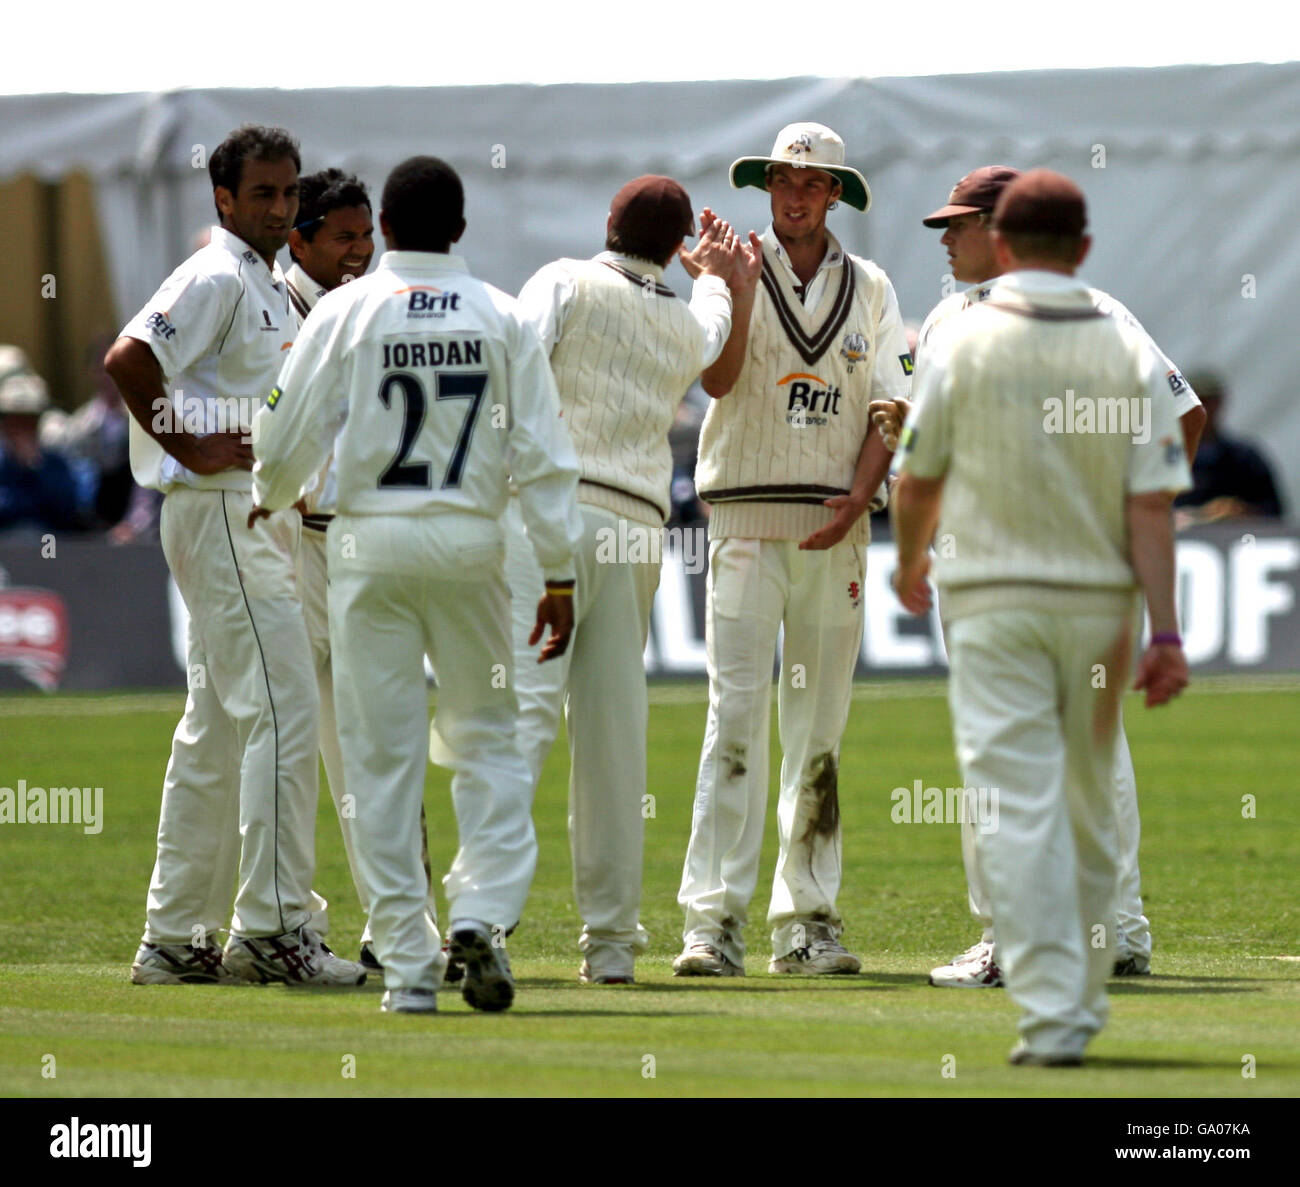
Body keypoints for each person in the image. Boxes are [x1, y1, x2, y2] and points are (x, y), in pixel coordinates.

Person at [249, 155, 584, 1015]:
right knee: (488, 742)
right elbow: (545, 459)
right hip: (471, 543)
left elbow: (289, 423)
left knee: (380, 759)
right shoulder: (502, 315)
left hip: (369, 547)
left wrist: (267, 493)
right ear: (461, 230)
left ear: (385, 231)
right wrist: (558, 571)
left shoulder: (347, 308)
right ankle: (479, 911)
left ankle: (407, 968)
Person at [873, 164, 1206, 987]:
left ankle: (1021, 937)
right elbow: (1176, 418)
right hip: (1069, 571)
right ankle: (1115, 930)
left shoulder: (1021, 318)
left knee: (1005, 753)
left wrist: (911, 547)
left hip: (991, 568)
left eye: (958, 224)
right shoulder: (963, 317)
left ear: (1003, 227)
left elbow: (1185, 414)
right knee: (1092, 750)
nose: (945, 240)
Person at [106, 124, 365, 987]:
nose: (280, 206)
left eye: (289, 193)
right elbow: (130, 358)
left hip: (241, 513)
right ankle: (275, 931)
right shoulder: (217, 272)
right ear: (223, 198)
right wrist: (195, 450)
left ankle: (174, 936)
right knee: (286, 708)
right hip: (222, 512)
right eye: (263, 193)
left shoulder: (255, 278)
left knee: (214, 732)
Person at [674, 122, 911, 977]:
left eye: (813, 183)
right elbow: (718, 381)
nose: (796, 195)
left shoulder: (873, 286)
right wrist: (725, 287)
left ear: (837, 192)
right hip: (743, 521)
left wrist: (861, 496)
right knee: (731, 720)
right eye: (783, 179)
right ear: (767, 186)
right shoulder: (732, 264)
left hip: (835, 526)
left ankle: (806, 921)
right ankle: (712, 921)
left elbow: (892, 403)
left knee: (818, 733)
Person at [508, 176, 740, 984]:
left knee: (523, 721)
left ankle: (483, 924)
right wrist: (712, 269)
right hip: (637, 529)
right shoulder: (686, 320)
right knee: (613, 739)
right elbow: (716, 326)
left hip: (550, 516)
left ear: (607, 220)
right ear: (674, 245)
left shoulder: (562, 280)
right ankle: (609, 947)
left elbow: (515, 374)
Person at [0, 348, 88, 537]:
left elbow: (68, 509)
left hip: (49, 552)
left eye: (29, 420)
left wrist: (34, 469)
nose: (23, 429)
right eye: (15, 420)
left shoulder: (55, 464)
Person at [1174, 371, 1284, 521]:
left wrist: (1242, 511)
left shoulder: (1244, 458)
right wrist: (1201, 514)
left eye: (1208, 401)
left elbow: (1274, 511)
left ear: (1220, 403)